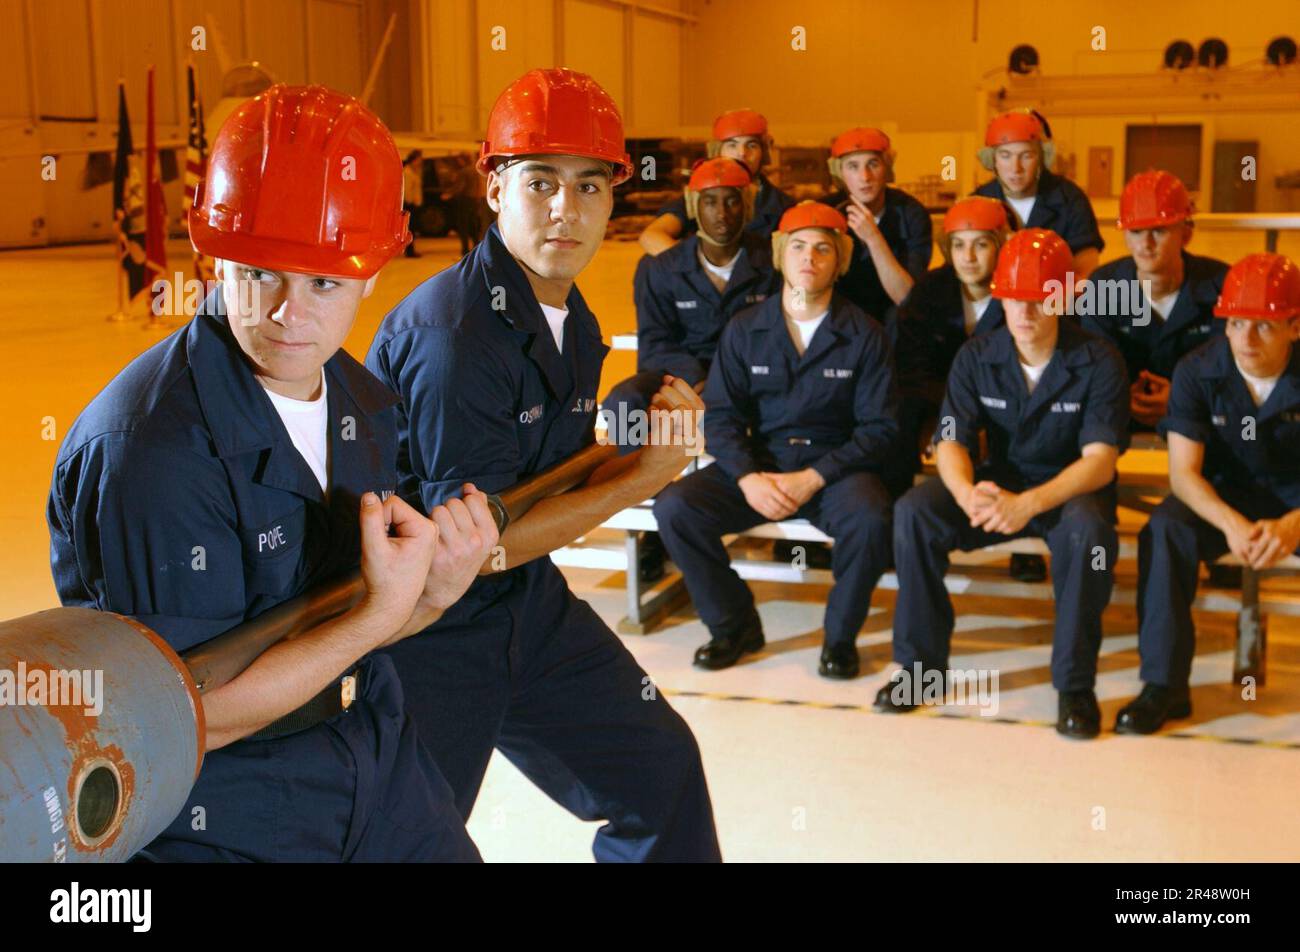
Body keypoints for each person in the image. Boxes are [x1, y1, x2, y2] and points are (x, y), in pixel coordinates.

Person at [47, 86, 497, 861]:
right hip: (227, 803)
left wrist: (431, 594)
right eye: (261, 274)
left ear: (372, 274)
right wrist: (381, 617)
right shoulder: (150, 452)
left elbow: (354, 621)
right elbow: (190, 715)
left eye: (324, 282)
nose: (290, 313)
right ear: (214, 257)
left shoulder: (363, 402)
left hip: (371, 744)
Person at [365, 68, 721, 862]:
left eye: (589, 185)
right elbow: (474, 548)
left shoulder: (571, 318)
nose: (567, 208)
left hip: (526, 603)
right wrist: (643, 479)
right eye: (541, 183)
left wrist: (636, 451)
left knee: (660, 774)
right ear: (493, 188)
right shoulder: (455, 337)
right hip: (427, 629)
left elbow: (545, 489)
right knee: (415, 845)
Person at [880, 228, 1130, 739]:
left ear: (1063, 298)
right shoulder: (978, 355)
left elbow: (1101, 463)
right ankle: (921, 669)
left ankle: (1074, 686)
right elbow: (951, 439)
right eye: (1014, 299)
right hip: (1000, 484)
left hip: (1070, 491)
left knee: (1089, 538)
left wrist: (1028, 504)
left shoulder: (1099, 359)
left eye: (1038, 299)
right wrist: (965, 492)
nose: (1024, 312)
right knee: (914, 512)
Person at [653, 201, 899, 679]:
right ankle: (733, 626)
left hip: (835, 472)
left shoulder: (865, 334)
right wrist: (747, 477)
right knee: (676, 508)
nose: (810, 258)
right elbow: (720, 416)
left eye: (823, 248)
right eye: (799, 247)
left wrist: (814, 477)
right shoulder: (745, 329)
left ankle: (839, 640)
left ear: (840, 261)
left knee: (871, 519)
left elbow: (880, 429)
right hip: (761, 464)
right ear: (781, 255)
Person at [1123, 253, 1300, 734]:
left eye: (1263, 326)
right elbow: (1183, 475)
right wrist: (1232, 524)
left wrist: (1292, 525)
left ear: (1294, 326)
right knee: (1165, 529)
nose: (1245, 339)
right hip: (1224, 496)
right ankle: (1163, 686)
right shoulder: (1197, 369)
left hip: (1295, 499)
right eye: (1235, 323)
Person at [606, 157, 781, 580]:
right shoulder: (660, 268)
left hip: (752, 379)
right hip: (686, 377)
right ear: (692, 206)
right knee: (623, 403)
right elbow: (655, 343)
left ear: (748, 204)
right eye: (710, 202)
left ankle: (780, 515)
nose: (722, 213)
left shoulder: (772, 262)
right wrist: (697, 379)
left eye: (732, 201)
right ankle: (651, 515)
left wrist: (724, 382)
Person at [1080, 170, 1228, 430]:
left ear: (1185, 234)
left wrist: (1181, 400)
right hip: (1119, 416)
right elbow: (1095, 368)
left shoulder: (1221, 285)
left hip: (1203, 419)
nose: (1146, 244)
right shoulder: (1103, 286)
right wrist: (1123, 398)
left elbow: (1234, 370)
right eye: (1136, 231)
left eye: (1159, 231)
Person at [889, 196, 1011, 494]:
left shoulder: (1018, 292)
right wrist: (947, 419)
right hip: (940, 401)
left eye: (981, 245)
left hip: (1003, 404)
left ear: (1000, 246)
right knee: (899, 417)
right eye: (958, 245)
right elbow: (911, 366)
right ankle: (898, 504)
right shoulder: (930, 290)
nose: (968, 257)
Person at [638, 108, 794, 256]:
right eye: (732, 145)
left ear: (763, 152)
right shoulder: (697, 198)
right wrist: (694, 267)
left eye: (751, 145)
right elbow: (651, 236)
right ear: (718, 151)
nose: (742, 153)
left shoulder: (783, 207)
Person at [974, 109, 1103, 280]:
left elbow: (1085, 274)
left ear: (1043, 158)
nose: (1016, 168)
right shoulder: (977, 202)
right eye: (1005, 156)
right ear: (992, 159)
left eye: (1027, 156)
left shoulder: (1071, 201)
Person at [820, 127, 933, 322]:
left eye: (873, 164)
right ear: (839, 173)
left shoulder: (912, 214)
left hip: (896, 323)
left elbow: (905, 298)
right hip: (838, 321)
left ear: (887, 167)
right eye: (853, 166)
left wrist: (873, 238)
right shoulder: (825, 212)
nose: (865, 177)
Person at [402, 149, 424, 258]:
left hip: (414, 203)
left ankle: (411, 250)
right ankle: (410, 251)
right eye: (419, 159)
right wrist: (411, 202)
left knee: (413, 228)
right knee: (410, 229)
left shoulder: (413, 171)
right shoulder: (408, 172)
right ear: (414, 160)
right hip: (410, 204)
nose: (420, 162)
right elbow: (407, 190)